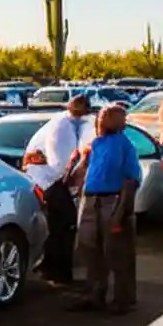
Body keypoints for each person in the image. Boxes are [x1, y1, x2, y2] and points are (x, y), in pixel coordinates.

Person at [70, 104, 142, 314]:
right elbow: (80, 175)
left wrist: (121, 213)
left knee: (118, 253)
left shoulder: (125, 146)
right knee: (90, 249)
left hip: (113, 201)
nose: (99, 121)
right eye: (101, 117)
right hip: (91, 200)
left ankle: (124, 299)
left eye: (105, 118)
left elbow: (131, 180)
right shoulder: (96, 145)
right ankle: (94, 294)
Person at [22, 95, 95, 284]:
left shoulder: (65, 123)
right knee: (65, 223)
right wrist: (72, 177)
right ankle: (59, 272)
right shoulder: (63, 127)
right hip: (48, 181)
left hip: (47, 179)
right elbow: (59, 163)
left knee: (57, 225)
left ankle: (50, 265)